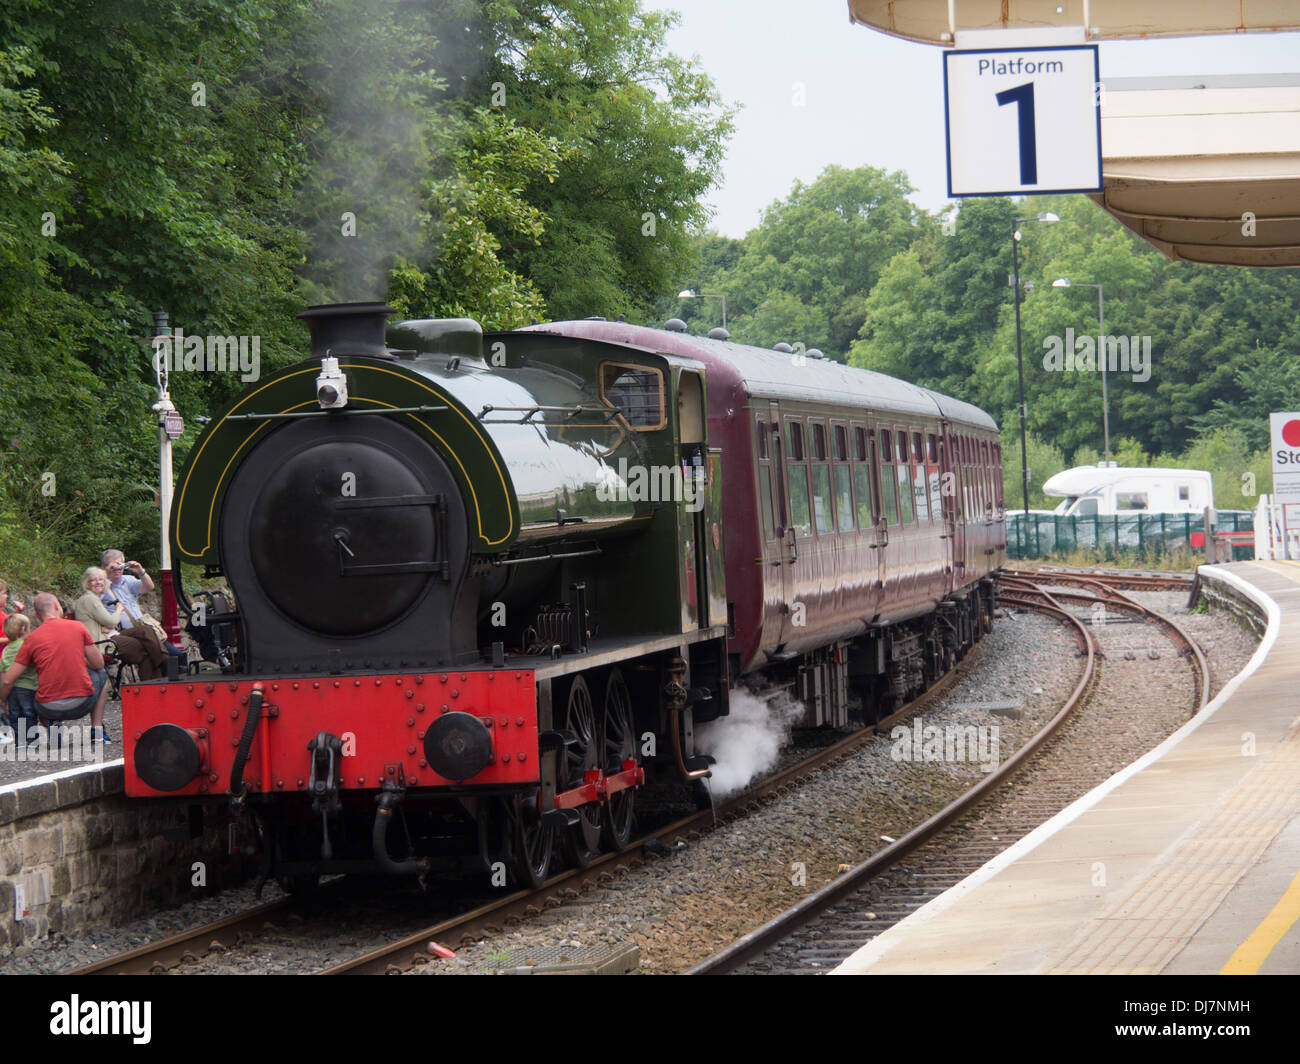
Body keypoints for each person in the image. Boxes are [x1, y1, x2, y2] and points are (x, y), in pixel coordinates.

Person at [0, 593, 111, 745]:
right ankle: (97, 732)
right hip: (82, 704)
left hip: (47, 708)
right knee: (101, 674)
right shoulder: (77, 627)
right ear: (57, 607)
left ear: (37, 616)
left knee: (36, 684)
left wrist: (3, 700)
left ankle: (52, 727)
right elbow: (98, 664)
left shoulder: (32, 639)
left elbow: (7, 680)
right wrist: (79, 658)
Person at [76, 565, 166, 680]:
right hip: (102, 642)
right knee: (146, 650)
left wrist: (107, 625)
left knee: (145, 630)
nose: (98, 582)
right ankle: (154, 680)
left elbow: (105, 622)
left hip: (109, 634)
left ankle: (164, 663)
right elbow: (111, 621)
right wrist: (118, 610)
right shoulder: (90, 599)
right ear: (87, 583)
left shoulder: (94, 599)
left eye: (101, 579)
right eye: (93, 580)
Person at [99, 549, 184, 669]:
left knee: (176, 655)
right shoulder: (100, 585)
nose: (117, 569)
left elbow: (149, 587)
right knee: (159, 650)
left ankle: (157, 678)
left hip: (142, 631)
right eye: (113, 566)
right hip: (123, 633)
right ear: (103, 567)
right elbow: (93, 597)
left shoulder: (128, 580)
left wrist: (140, 571)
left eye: (121, 565)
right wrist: (107, 573)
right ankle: (165, 663)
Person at [0, 613, 39, 744]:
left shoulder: (5, 651)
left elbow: (3, 673)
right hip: (28, 688)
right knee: (29, 713)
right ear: (23, 629)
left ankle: (20, 741)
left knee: (15, 716)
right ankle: (32, 739)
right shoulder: (27, 646)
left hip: (11, 691)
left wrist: (3, 697)